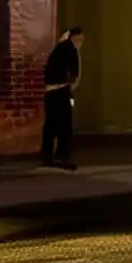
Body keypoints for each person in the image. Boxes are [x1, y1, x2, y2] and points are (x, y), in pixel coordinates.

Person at [41, 26, 84, 171]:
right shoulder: (70, 50)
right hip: (62, 92)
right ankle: (62, 155)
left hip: (51, 92)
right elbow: (73, 74)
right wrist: (69, 87)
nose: (81, 42)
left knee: (50, 125)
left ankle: (47, 155)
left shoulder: (58, 49)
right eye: (80, 39)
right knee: (65, 125)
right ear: (73, 37)